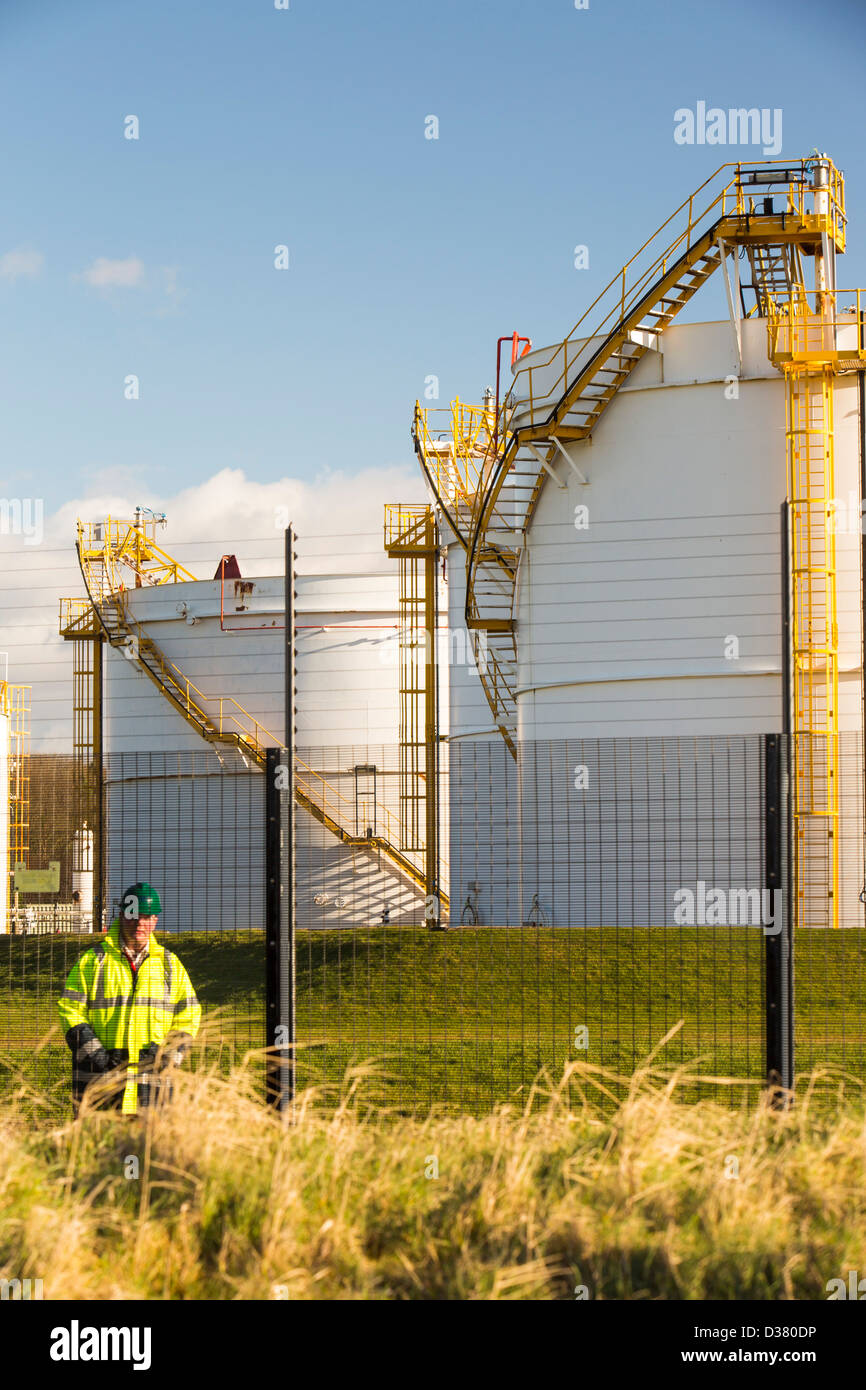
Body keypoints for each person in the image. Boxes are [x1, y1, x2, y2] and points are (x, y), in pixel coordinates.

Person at [57, 881, 201, 1115]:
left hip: (152, 1084)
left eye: (146, 917)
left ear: (155, 920)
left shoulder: (170, 965)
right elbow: (69, 1010)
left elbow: (189, 1016)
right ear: (122, 915)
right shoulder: (93, 961)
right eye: (133, 916)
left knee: (150, 1147)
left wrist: (166, 1058)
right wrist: (97, 1056)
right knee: (98, 1144)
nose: (139, 923)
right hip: (100, 1080)